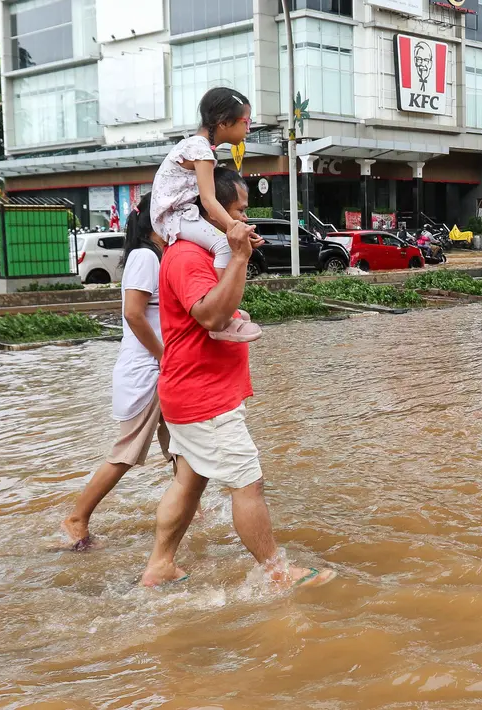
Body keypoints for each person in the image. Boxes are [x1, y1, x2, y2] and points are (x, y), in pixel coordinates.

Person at [139, 168, 333, 590]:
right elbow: (210, 315)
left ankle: (160, 565)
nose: (245, 219)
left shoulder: (197, 254)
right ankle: (276, 573)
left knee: (188, 482)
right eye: (239, 211)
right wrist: (242, 256)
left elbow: (213, 313)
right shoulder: (189, 258)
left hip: (189, 392)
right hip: (205, 398)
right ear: (211, 212)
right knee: (249, 483)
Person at [62, 195, 171, 550]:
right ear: (156, 220)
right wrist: (164, 355)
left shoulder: (157, 256)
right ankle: (77, 517)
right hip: (149, 371)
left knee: (185, 447)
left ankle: (187, 509)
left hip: (162, 369)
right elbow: (134, 314)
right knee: (126, 452)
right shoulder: (144, 257)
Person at [150, 86, 259, 343]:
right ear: (223, 122)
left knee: (224, 243)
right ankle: (225, 317)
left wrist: (237, 228)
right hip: (174, 216)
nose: (248, 129)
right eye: (246, 122)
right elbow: (209, 201)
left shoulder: (196, 146)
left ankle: (225, 312)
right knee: (223, 245)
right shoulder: (201, 149)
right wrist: (236, 229)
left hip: (178, 213)